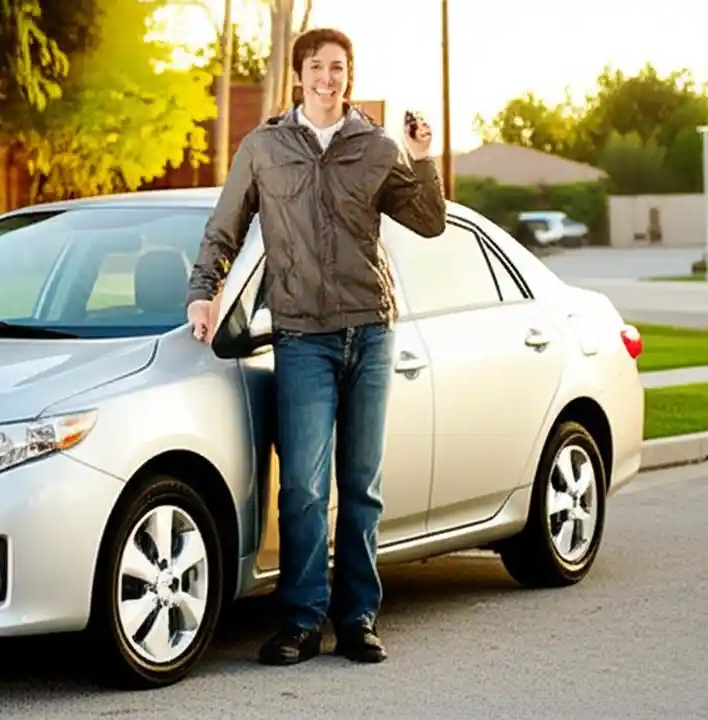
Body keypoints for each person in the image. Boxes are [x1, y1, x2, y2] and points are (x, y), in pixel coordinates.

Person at [185, 27, 447, 666]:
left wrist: (421, 156)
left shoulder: (376, 145)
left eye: (338, 68)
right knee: (303, 485)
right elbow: (226, 226)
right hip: (303, 335)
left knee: (361, 485)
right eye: (317, 68)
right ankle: (300, 622)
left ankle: (357, 618)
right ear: (298, 76)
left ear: (348, 76)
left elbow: (429, 221)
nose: (328, 78)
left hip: (372, 328)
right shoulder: (265, 147)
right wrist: (204, 291)